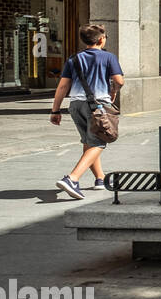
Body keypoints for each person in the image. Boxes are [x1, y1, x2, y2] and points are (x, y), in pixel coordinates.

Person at [49, 23, 124, 199]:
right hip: (97, 106)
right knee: (99, 141)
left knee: (89, 141)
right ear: (101, 39)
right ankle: (72, 179)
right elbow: (119, 81)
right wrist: (113, 91)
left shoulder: (73, 59)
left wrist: (55, 110)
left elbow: (62, 87)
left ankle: (100, 178)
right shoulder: (108, 57)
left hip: (75, 105)